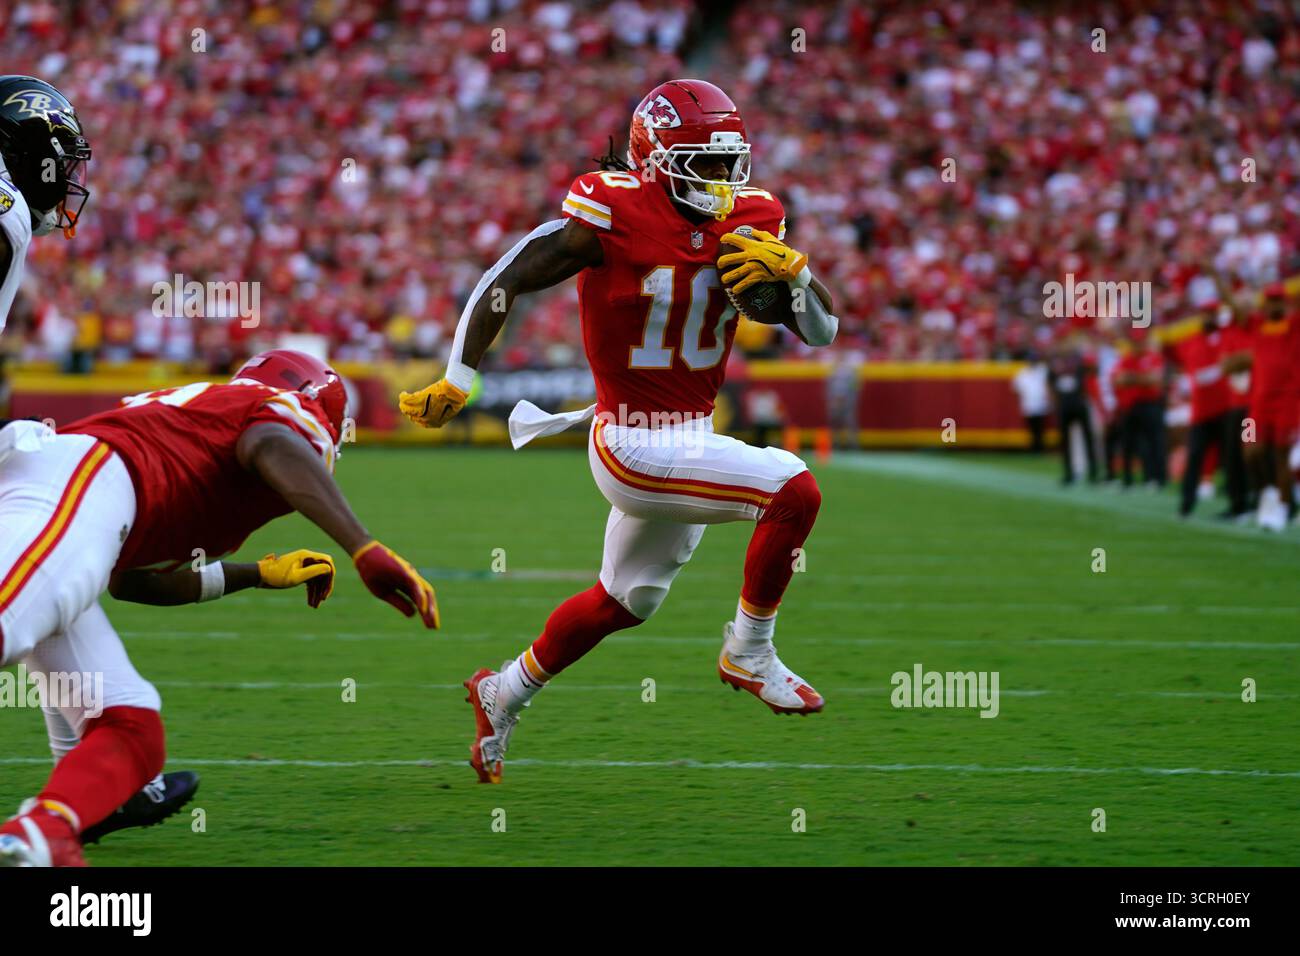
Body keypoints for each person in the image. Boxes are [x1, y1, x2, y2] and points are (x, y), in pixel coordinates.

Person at [399, 79, 839, 784]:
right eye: (704, 162)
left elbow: (821, 331)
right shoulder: (612, 208)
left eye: (729, 162)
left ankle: (501, 692)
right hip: (632, 440)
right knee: (794, 488)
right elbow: (505, 276)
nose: (723, 180)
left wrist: (804, 280)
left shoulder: (755, 218)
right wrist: (459, 376)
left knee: (625, 602)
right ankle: (749, 652)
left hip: (690, 435)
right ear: (657, 158)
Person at [0, 349, 438, 866]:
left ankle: (41, 832)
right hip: (78, 484)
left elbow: (133, 583)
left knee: (133, 728)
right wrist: (362, 546)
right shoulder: (279, 412)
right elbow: (269, 441)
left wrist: (257, 575)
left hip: (70, 491)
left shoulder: (203, 424)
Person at [1047, 340, 1096, 483]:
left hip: (1079, 403)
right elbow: (1050, 384)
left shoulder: (1080, 363)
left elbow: (1091, 374)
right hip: (1064, 405)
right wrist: (1055, 403)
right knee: (1065, 441)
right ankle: (1069, 473)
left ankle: (1093, 472)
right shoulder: (1055, 365)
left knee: (1088, 438)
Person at [1012, 351, 1050, 453]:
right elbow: (1016, 388)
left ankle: (1040, 447)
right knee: (1032, 428)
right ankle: (1034, 447)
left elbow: (1048, 385)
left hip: (1041, 403)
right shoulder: (1022, 373)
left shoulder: (1042, 370)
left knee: (1040, 428)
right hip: (1029, 404)